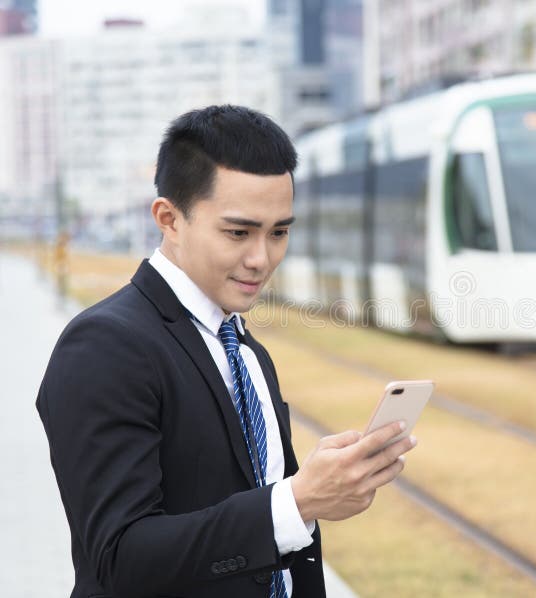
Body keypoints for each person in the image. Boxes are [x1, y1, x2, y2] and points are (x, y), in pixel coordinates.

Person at [36, 105, 416, 598]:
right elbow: (120, 559)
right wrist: (296, 502)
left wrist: (313, 489)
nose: (261, 259)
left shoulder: (245, 349)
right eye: (239, 232)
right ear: (169, 219)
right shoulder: (104, 346)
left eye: (279, 232)